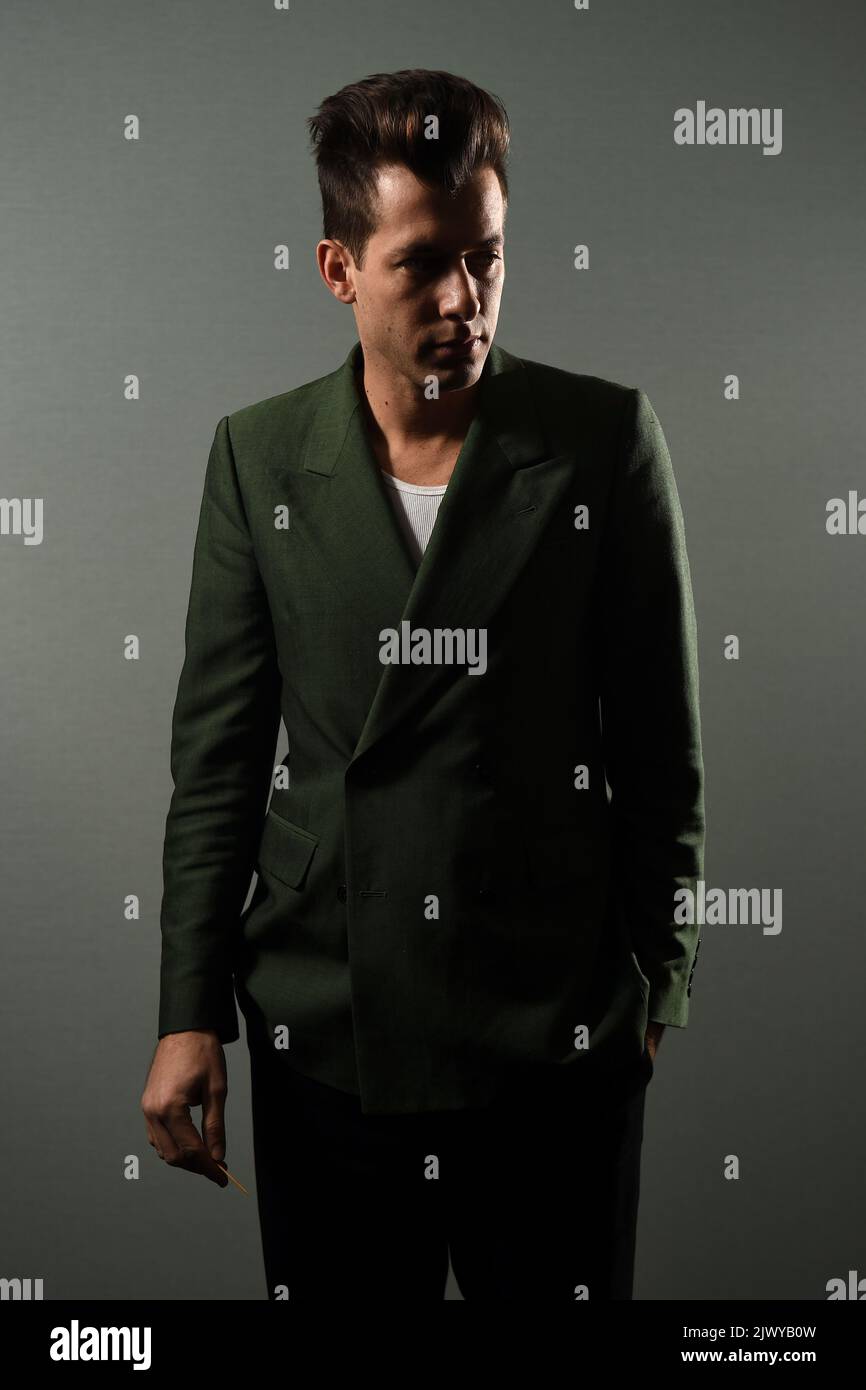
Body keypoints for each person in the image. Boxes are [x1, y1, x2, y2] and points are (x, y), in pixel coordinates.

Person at [140, 68, 705, 1301]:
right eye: (421, 263)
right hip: (328, 1028)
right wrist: (189, 1013)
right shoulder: (258, 456)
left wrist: (652, 988)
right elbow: (220, 764)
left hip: (547, 1036)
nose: (464, 301)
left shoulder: (600, 441)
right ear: (339, 270)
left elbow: (661, 750)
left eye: (487, 258)